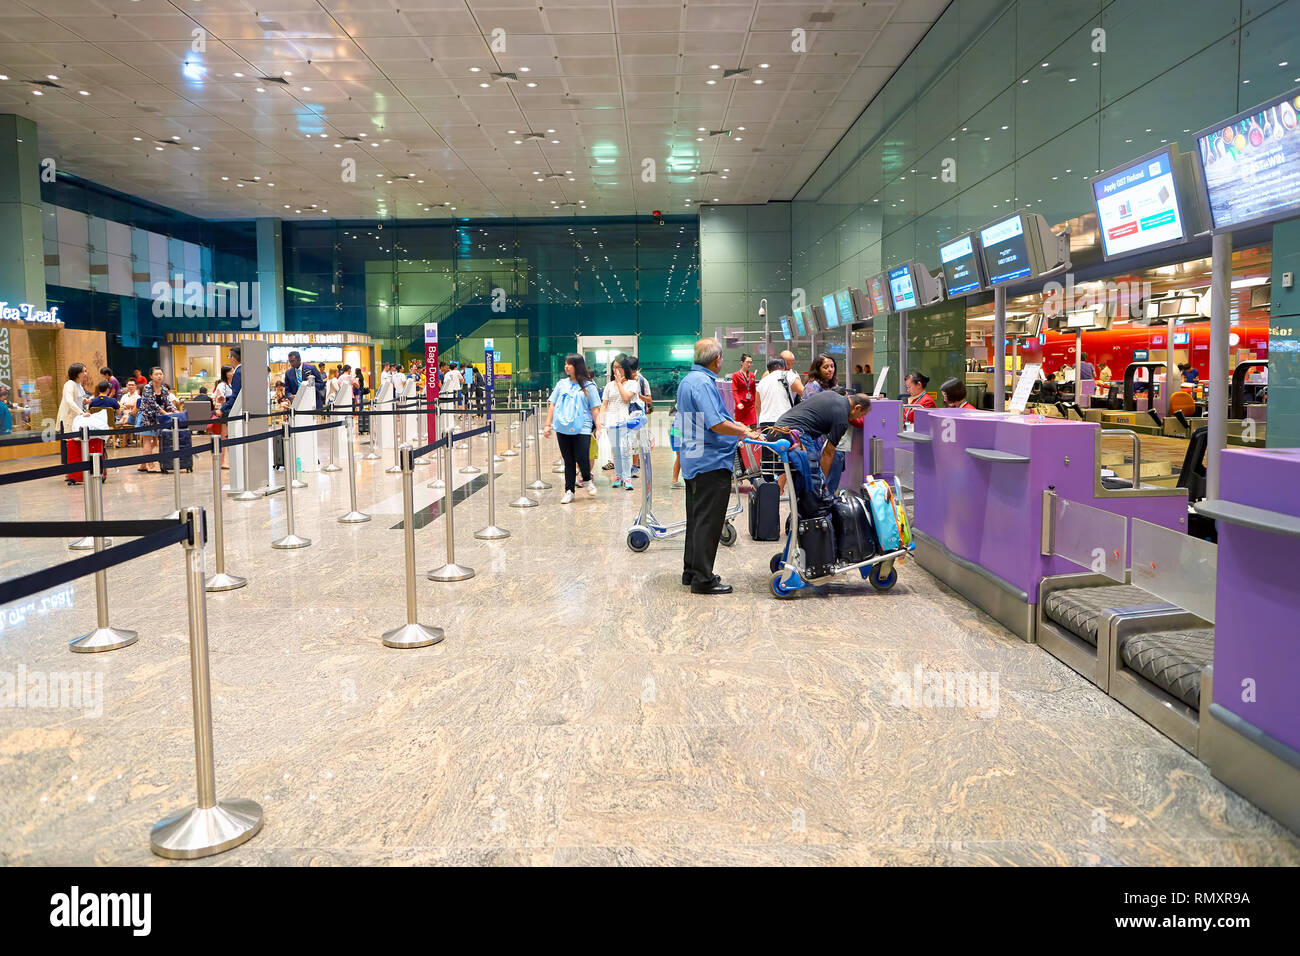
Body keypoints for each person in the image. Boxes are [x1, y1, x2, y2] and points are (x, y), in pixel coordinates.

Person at [676, 338, 762, 595]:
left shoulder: (688, 381)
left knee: (696, 518)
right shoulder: (703, 383)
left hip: (694, 457)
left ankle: (691, 571)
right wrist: (744, 431)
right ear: (717, 360)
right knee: (709, 521)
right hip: (710, 462)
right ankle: (703, 579)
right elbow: (716, 424)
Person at [772, 390, 871, 500]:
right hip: (798, 434)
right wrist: (823, 483)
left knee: (800, 477)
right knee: (812, 481)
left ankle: (797, 515)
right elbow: (828, 453)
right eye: (861, 414)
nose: (858, 418)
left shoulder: (830, 394)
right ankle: (806, 514)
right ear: (857, 408)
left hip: (779, 427)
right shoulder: (842, 418)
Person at [544, 353, 603, 503]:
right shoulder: (561, 384)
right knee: (568, 460)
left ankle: (587, 479)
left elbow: (595, 408)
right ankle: (569, 490)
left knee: (582, 456)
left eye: (569, 364)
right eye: (565, 363)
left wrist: (599, 427)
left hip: (582, 427)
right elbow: (552, 404)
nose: (566, 366)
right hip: (562, 426)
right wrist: (547, 425)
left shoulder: (589, 386)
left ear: (577, 366)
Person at [138, 366, 177, 473]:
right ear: (151, 376)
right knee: (147, 441)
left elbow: (168, 403)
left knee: (155, 442)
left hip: (157, 419)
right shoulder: (147, 388)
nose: (159, 376)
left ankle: (142, 464)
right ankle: (150, 465)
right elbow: (152, 404)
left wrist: (176, 411)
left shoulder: (164, 389)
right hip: (146, 417)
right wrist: (165, 413)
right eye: (156, 374)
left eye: (161, 374)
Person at [58, 363, 89, 436]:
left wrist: (84, 400)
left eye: (86, 371)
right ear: (76, 374)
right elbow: (69, 400)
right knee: (69, 439)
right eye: (83, 371)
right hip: (70, 417)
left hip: (77, 417)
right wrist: (81, 413)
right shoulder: (69, 384)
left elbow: (77, 397)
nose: (85, 374)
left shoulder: (79, 384)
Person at [730, 353, 759, 429]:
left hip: (751, 404)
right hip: (741, 405)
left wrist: (756, 403)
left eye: (750, 362)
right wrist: (738, 403)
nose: (749, 364)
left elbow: (753, 390)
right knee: (742, 427)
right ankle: (741, 440)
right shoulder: (736, 375)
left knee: (754, 424)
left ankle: (754, 440)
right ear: (742, 363)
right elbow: (734, 391)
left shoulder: (752, 375)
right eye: (747, 362)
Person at [220, 346, 242, 417]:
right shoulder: (242, 369)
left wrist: (222, 409)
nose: (229, 359)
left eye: (229, 356)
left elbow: (236, 396)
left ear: (233, 358)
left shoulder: (238, 372)